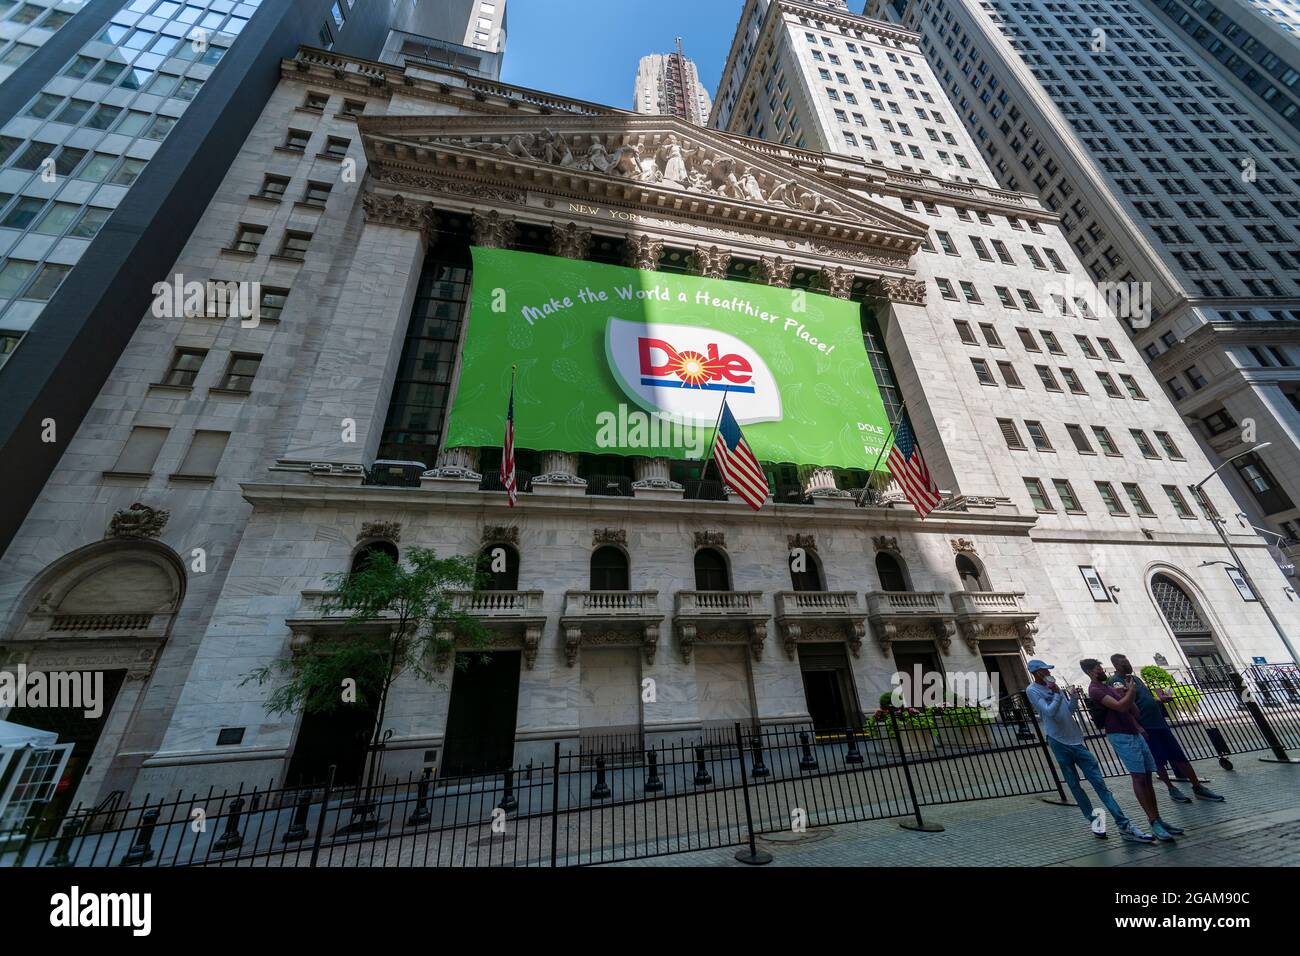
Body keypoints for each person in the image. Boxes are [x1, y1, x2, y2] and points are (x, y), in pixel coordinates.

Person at [1024, 660, 1150, 842]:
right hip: (1058, 741)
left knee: (1100, 785)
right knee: (1074, 785)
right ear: (1037, 673)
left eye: (1048, 670)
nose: (1047, 673)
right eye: (1044, 670)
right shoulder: (1032, 690)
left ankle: (1124, 825)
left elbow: (1068, 710)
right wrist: (1057, 694)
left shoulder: (1055, 686)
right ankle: (1095, 821)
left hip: (1076, 739)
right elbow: (1048, 712)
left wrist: (1073, 697)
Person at [1082, 659, 1182, 842]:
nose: (1102, 670)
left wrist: (1128, 694)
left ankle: (1158, 818)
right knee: (1138, 777)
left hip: (1134, 732)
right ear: (1090, 671)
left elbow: (1133, 711)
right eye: (1098, 669)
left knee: (1148, 777)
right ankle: (1153, 821)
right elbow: (1120, 707)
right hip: (1121, 736)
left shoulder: (1110, 688)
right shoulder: (1095, 690)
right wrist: (1130, 694)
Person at [1109, 654, 1224, 804]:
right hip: (1146, 726)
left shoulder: (1135, 679)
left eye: (1128, 660)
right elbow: (1124, 708)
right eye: (1123, 662)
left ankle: (1197, 786)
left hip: (1159, 722)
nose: (1127, 664)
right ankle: (1171, 788)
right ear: (1116, 665)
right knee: (1158, 760)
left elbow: (1145, 698)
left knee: (1178, 755)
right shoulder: (1115, 682)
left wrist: (1159, 699)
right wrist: (1138, 727)